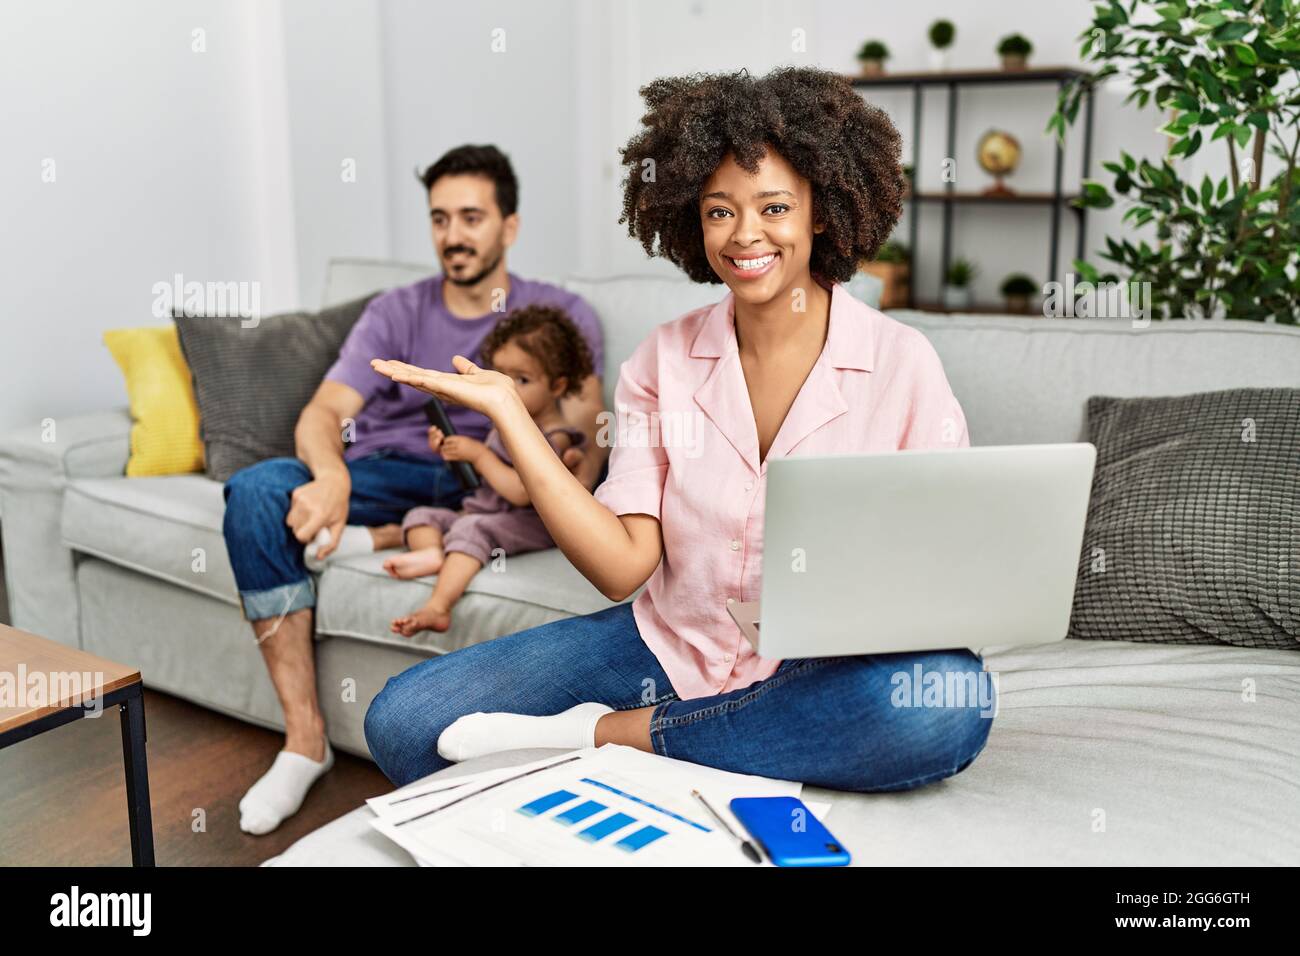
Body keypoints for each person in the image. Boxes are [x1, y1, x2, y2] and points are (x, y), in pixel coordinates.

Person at [364, 67, 994, 793]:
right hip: (669, 644)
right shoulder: (662, 359)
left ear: (821, 211)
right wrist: (513, 416)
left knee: (951, 705)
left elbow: (943, 574)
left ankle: (607, 736)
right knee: (405, 721)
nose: (745, 234)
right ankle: (736, 742)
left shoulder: (900, 363)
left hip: (822, 667)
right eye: (720, 210)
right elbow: (623, 567)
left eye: (775, 207)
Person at [222, 144, 607, 835]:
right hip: (389, 468)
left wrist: (511, 452)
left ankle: (376, 539)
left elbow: (578, 447)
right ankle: (305, 742)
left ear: (509, 226)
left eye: (471, 216)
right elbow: (323, 413)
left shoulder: (560, 314)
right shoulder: (396, 309)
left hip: (487, 477)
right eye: (439, 218)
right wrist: (333, 474)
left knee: (468, 508)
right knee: (254, 491)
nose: (453, 235)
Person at [385, 306, 595, 636]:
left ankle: (438, 607)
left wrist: (480, 456)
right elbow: (482, 476)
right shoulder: (501, 423)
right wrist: (450, 450)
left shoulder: (556, 436)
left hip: (530, 522)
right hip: (485, 509)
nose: (506, 390)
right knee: (422, 515)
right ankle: (432, 552)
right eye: (500, 377)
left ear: (557, 386)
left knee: (473, 529)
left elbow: (521, 492)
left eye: (522, 380)